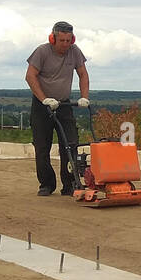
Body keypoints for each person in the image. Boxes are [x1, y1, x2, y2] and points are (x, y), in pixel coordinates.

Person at [25, 20, 90, 196]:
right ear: (53, 38)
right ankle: (46, 184)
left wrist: (84, 97)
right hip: (42, 106)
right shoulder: (42, 51)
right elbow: (30, 76)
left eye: (69, 41)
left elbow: (83, 74)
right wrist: (44, 99)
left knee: (70, 144)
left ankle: (69, 183)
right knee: (42, 146)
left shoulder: (74, 52)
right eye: (62, 41)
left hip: (64, 104)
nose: (65, 45)